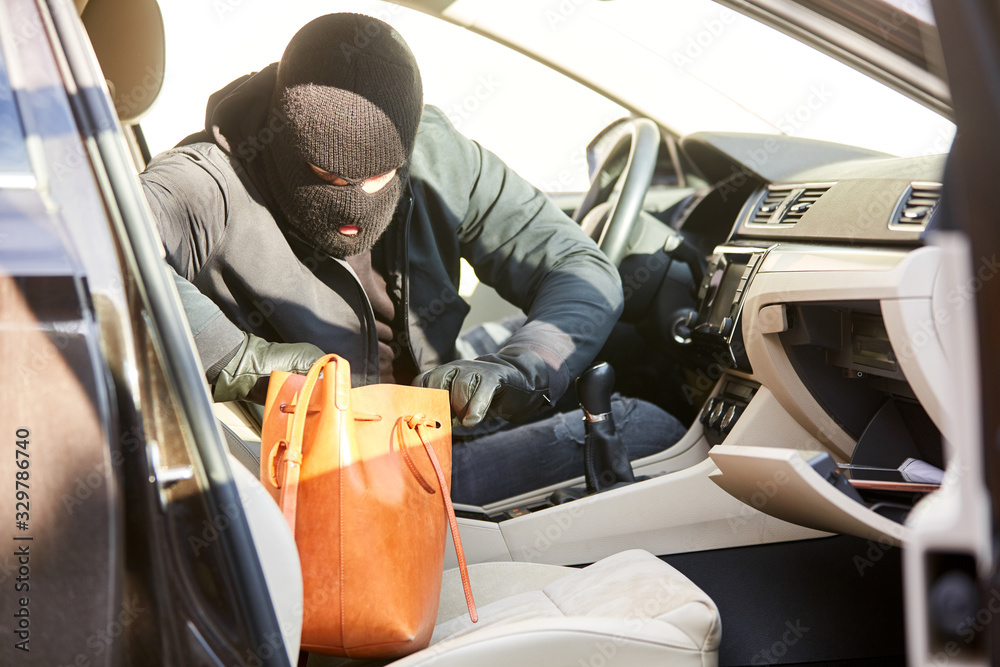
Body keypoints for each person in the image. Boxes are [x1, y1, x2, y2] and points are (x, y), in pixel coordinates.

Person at [140, 13, 686, 505]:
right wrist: (245, 361)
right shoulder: (204, 185)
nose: (357, 201)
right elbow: (105, 257)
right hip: (344, 477)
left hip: (432, 415)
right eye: (329, 177)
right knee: (647, 428)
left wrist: (519, 368)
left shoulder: (435, 155)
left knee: (588, 353)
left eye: (380, 177)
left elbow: (578, 265)